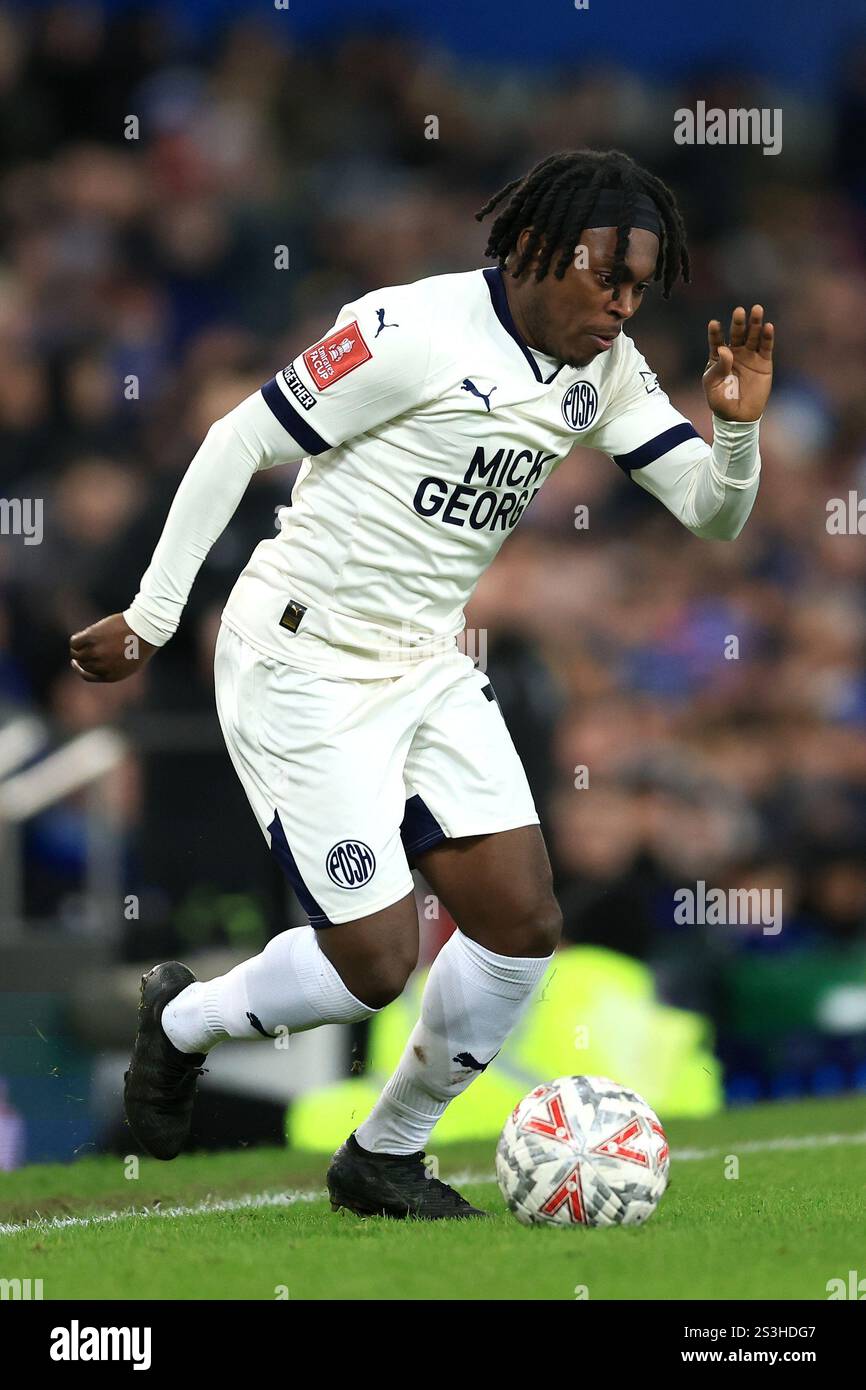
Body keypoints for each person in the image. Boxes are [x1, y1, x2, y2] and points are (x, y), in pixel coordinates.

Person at [70, 148, 774, 1219]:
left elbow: (713, 513)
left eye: (637, 289)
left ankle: (384, 1152)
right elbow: (234, 440)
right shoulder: (407, 332)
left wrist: (734, 430)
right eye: (602, 277)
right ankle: (179, 1023)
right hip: (298, 657)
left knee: (521, 921)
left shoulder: (607, 366)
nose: (619, 306)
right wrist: (152, 617)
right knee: (375, 961)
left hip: (425, 660)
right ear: (540, 249)